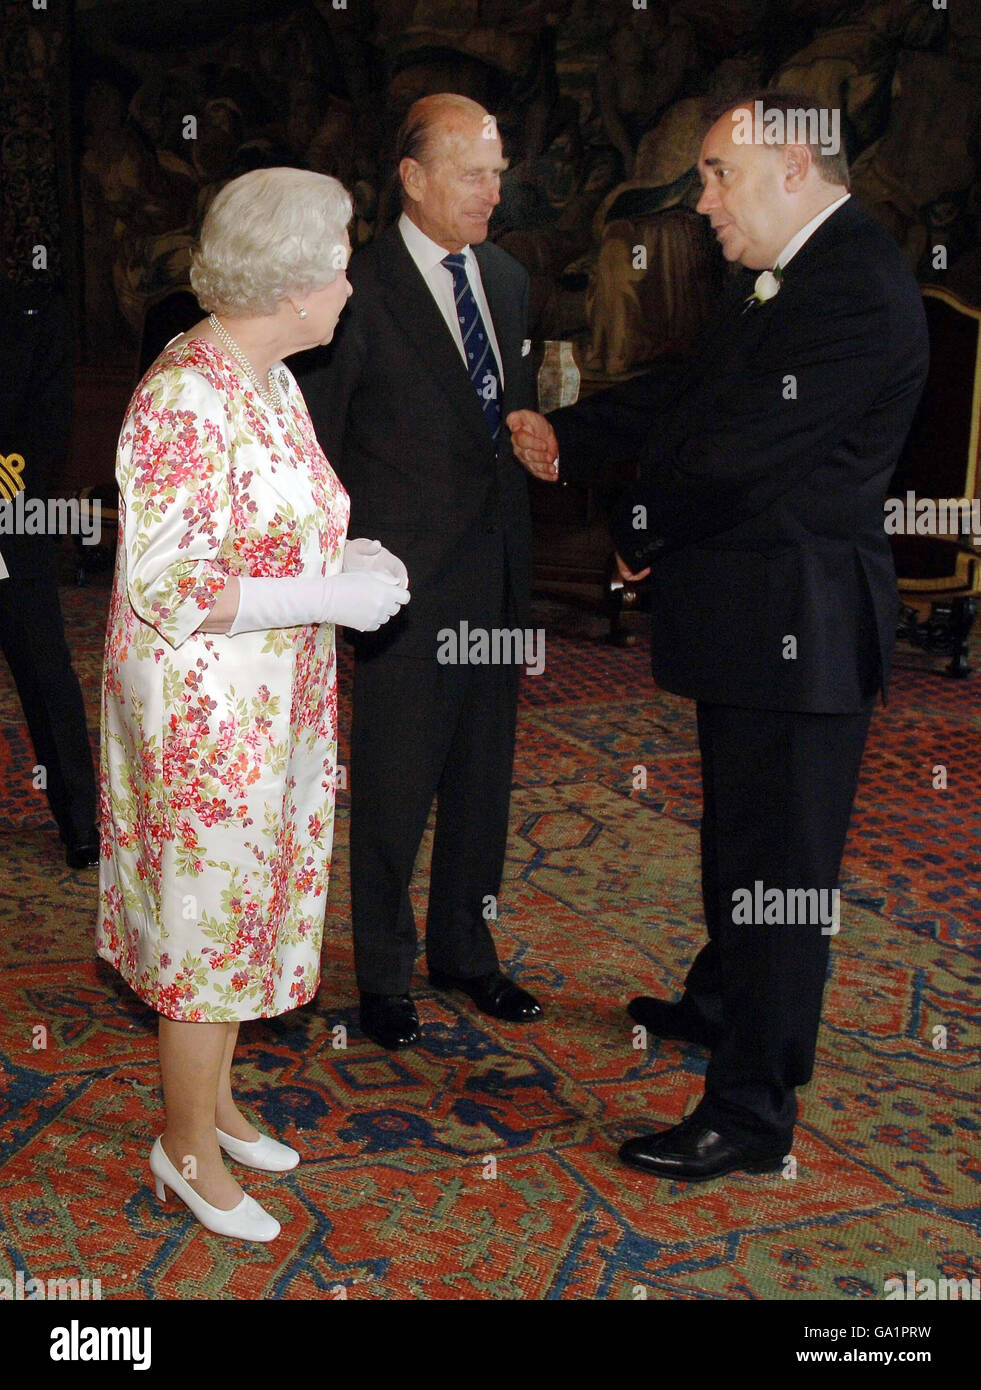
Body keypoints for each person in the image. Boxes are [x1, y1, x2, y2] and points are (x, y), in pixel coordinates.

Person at [508, 90, 929, 1182]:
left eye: (714, 175)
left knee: (779, 869)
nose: (700, 202)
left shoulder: (857, 291)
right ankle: (721, 998)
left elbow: (739, 452)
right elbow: (692, 393)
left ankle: (751, 1110)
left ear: (792, 165)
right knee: (741, 836)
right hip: (758, 623)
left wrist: (637, 523)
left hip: (804, 631)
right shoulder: (785, 275)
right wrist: (572, 428)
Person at [96, 168, 410, 1241]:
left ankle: (213, 1106)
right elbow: (171, 582)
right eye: (338, 265)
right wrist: (331, 592)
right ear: (289, 283)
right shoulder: (187, 391)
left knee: (246, 909)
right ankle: (181, 1150)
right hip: (202, 716)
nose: (349, 285)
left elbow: (272, 521)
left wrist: (343, 554)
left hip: (269, 695)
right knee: (205, 931)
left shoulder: (267, 373)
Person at [298, 94, 543, 1050]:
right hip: (401, 586)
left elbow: (502, 427)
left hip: (501, 576)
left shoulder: (511, 281)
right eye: (475, 172)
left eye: (497, 171)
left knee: (484, 780)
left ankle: (466, 954)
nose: (494, 189)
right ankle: (384, 976)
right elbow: (320, 446)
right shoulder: (351, 289)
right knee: (397, 784)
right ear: (413, 177)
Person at [0, 273, 99, 869]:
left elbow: (44, 427)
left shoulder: (32, 312)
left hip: (11, 514)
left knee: (44, 665)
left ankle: (80, 823)